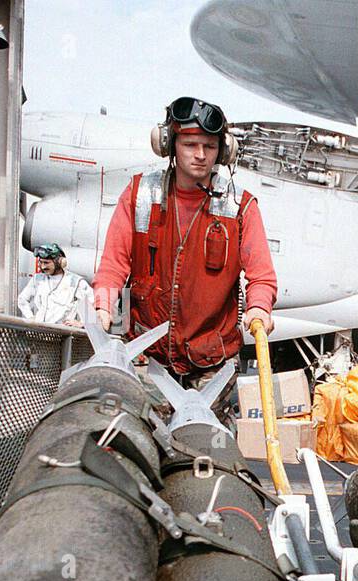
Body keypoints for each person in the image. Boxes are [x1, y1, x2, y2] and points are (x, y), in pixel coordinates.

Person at [92, 96, 277, 410]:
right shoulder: (138, 194)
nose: (201, 155)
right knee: (145, 444)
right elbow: (114, 264)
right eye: (190, 144)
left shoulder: (241, 207)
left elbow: (262, 277)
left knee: (204, 447)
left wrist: (259, 308)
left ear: (224, 151)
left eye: (210, 146)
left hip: (211, 363)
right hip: (147, 357)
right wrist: (104, 306)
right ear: (169, 144)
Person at [17, 243, 90, 326]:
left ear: (59, 262)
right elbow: (22, 299)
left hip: (61, 334)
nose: (43, 267)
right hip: (38, 332)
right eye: (41, 262)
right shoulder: (37, 279)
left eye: (46, 263)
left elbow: (93, 304)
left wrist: (81, 323)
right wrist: (30, 317)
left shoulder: (75, 282)